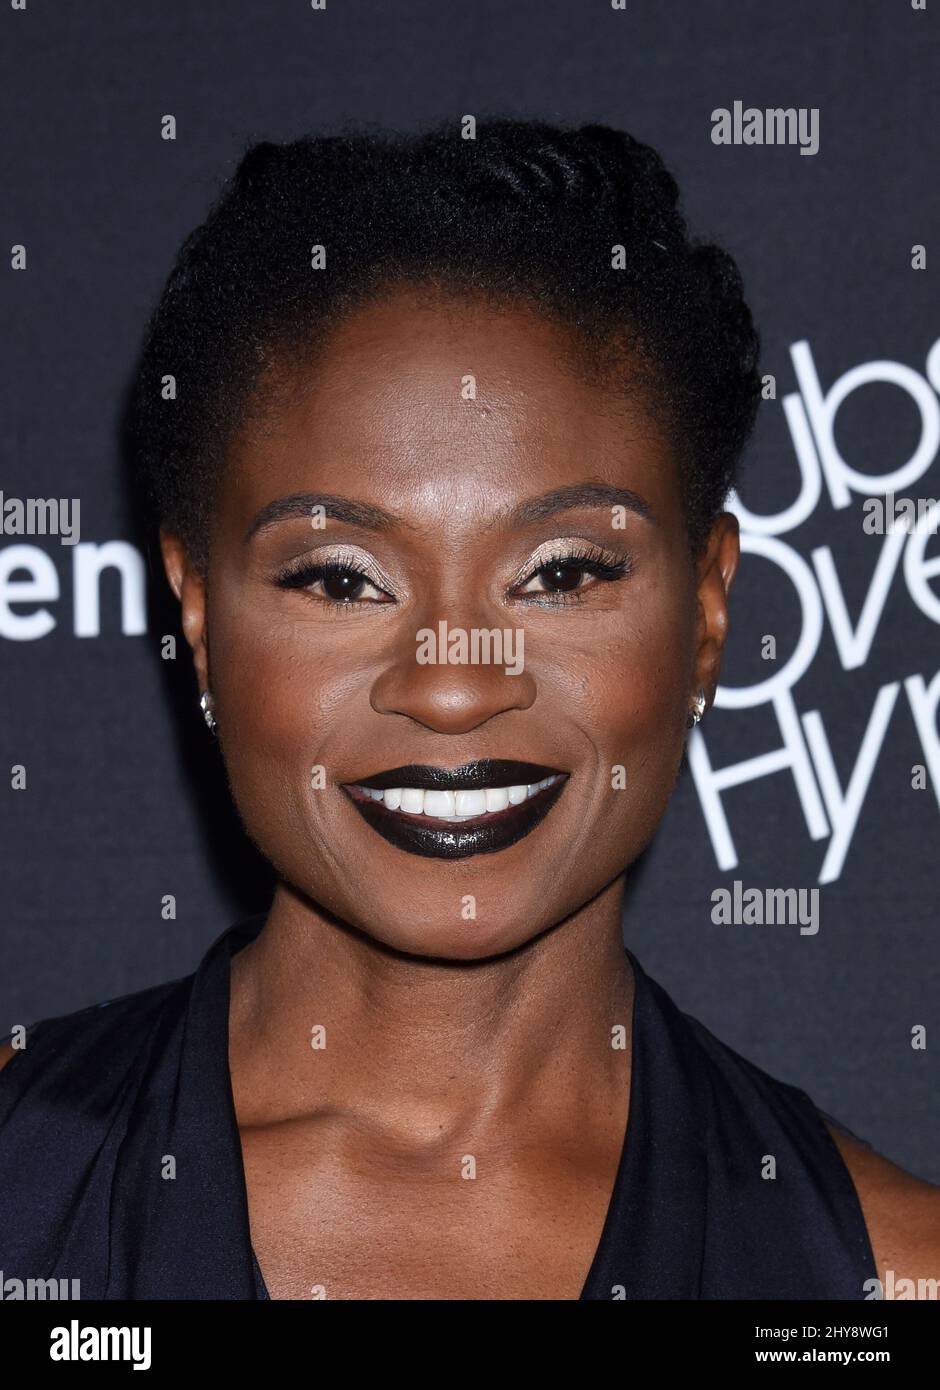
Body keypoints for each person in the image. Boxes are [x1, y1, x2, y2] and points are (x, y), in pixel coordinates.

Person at [1, 119, 937, 1300]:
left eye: (563, 572)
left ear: (706, 612)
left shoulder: (883, 1282)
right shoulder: (25, 1189)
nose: (452, 681)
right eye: (340, 578)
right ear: (197, 611)